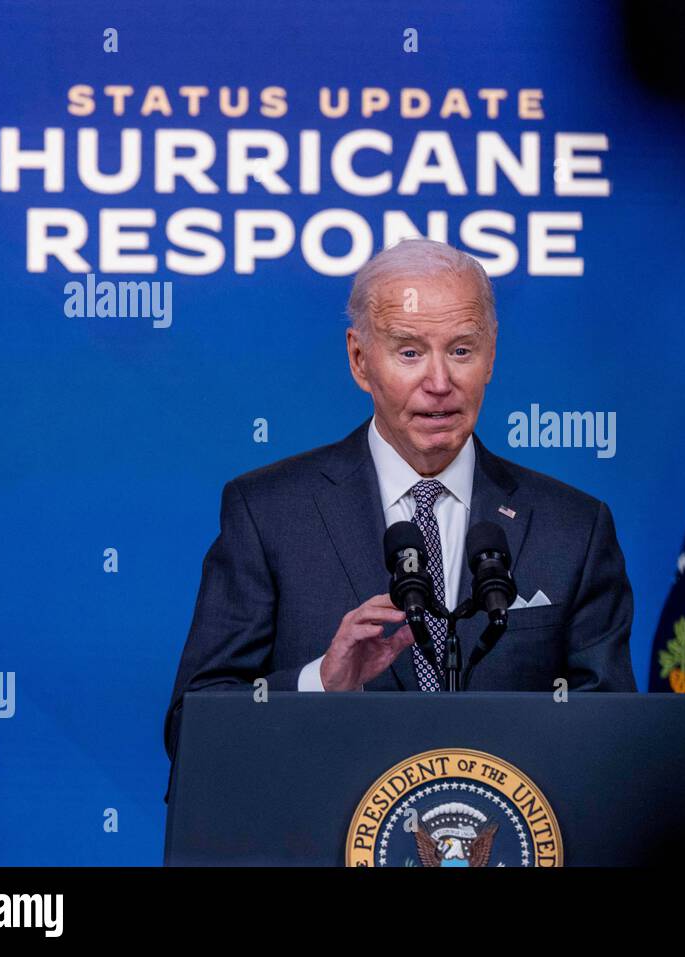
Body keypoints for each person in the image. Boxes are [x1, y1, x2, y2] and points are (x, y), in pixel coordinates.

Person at [164, 237, 636, 766]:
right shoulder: (269, 512)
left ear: (491, 356)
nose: (439, 382)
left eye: (461, 349)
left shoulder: (574, 527)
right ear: (360, 360)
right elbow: (193, 725)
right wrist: (322, 682)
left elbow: (612, 743)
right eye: (409, 352)